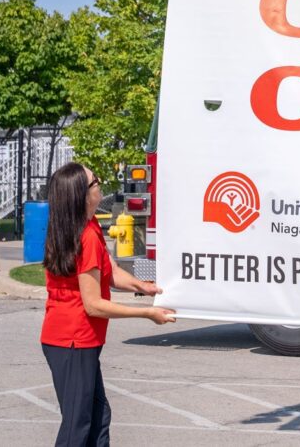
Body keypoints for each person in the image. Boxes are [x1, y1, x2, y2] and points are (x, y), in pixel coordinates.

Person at [41, 161, 176, 446]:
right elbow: (94, 305)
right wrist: (148, 313)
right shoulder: (85, 236)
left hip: (76, 340)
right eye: (95, 181)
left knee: (98, 417)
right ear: (82, 194)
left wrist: (142, 285)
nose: (100, 184)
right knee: (77, 426)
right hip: (72, 341)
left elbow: (110, 271)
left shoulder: (84, 224)